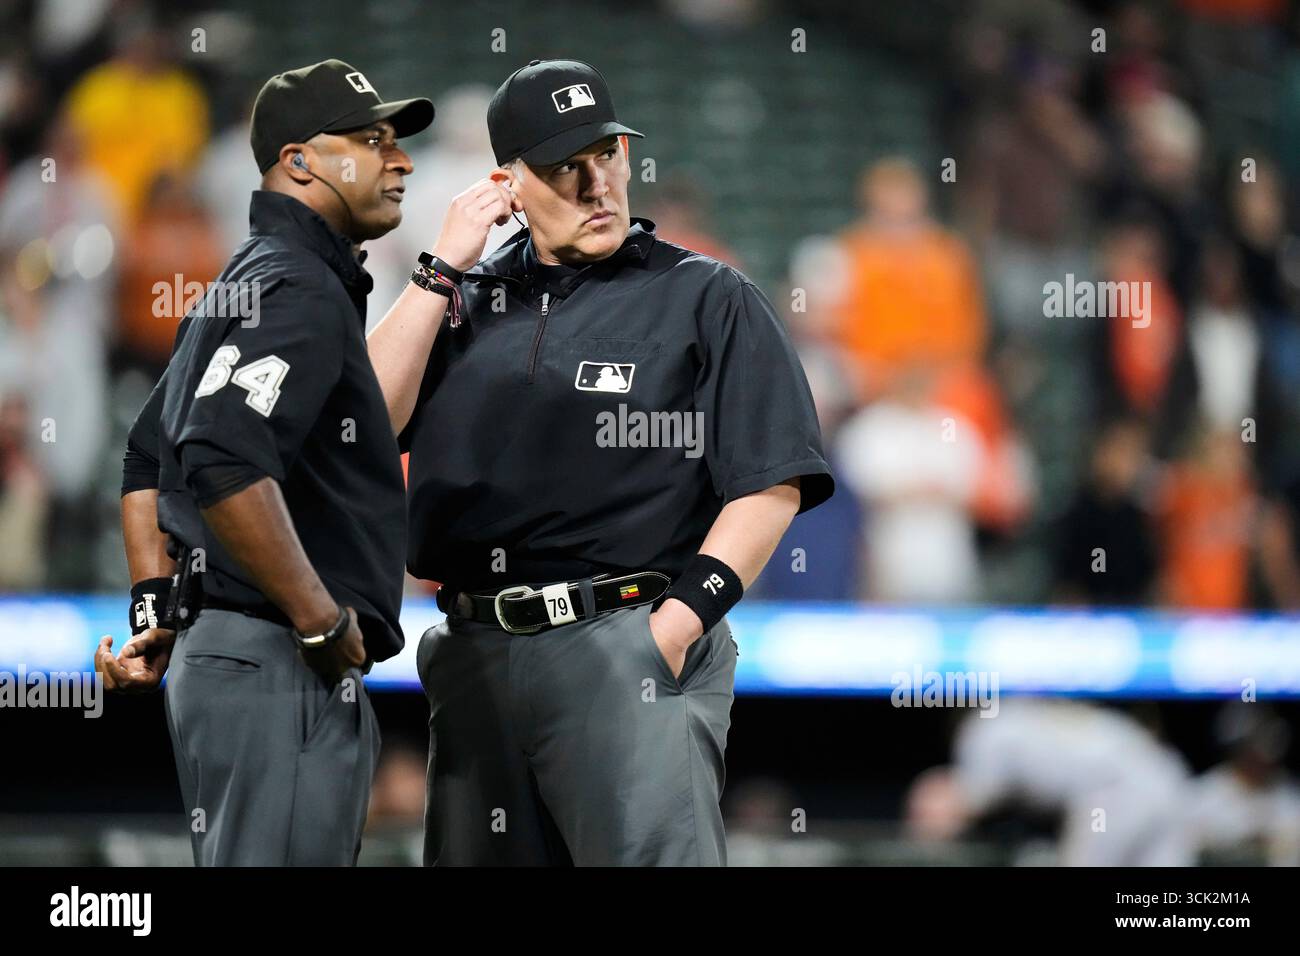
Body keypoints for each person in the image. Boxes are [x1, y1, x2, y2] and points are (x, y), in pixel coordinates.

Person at [366, 58, 834, 865]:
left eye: (608, 155)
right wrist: (441, 268)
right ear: (507, 184)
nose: (597, 185)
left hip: (625, 640)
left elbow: (771, 484)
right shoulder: (461, 298)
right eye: (563, 168)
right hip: (474, 656)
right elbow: (366, 428)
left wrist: (675, 629)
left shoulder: (704, 295)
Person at [95, 59, 432, 866]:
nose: (402, 159)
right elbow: (217, 458)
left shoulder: (242, 280)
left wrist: (156, 616)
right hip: (276, 658)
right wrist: (318, 621)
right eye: (371, 139)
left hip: (233, 653)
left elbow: (149, 454)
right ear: (299, 161)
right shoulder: (299, 284)